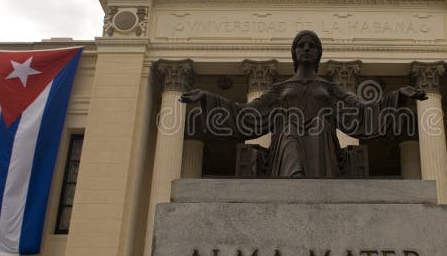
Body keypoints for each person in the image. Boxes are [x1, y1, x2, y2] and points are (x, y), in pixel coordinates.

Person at [179, 31, 426, 177]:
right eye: (301, 45)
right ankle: (294, 180)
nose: (306, 49)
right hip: (286, 146)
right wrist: (207, 98)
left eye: (311, 46)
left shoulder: (331, 88)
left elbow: (361, 113)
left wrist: (398, 96)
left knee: (317, 126)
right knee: (289, 131)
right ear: (294, 53)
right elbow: (248, 116)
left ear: (318, 54)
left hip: (323, 150)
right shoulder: (278, 90)